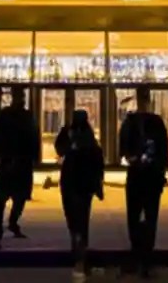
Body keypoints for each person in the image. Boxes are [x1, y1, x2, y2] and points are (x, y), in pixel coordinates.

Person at [118, 86, 168, 278]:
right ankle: (145, 255)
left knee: (135, 215)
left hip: (138, 176)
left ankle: (138, 253)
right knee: (150, 215)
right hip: (151, 177)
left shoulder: (130, 122)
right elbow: (164, 149)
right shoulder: (156, 122)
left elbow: (122, 147)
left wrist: (131, 158)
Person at [54, 109, 105, 280]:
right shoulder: (89, 139)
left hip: (70, 183)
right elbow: (99, 162)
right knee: (82, 218)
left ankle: (77, 247)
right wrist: (98, 185)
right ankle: (81, 250)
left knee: (72, 218)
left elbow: (59, 149)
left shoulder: (69, 135)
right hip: (85, 185)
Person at [0, 85, 38, 250]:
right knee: (4, 198)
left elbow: (33, 136)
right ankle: (1, 228)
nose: (22, 100)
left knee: (17, 197)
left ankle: (10, 223)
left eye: (23, 97)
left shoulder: (23, 116)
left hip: (17, 161)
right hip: (12, 160)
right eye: (20, 97)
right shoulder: (10, 116)